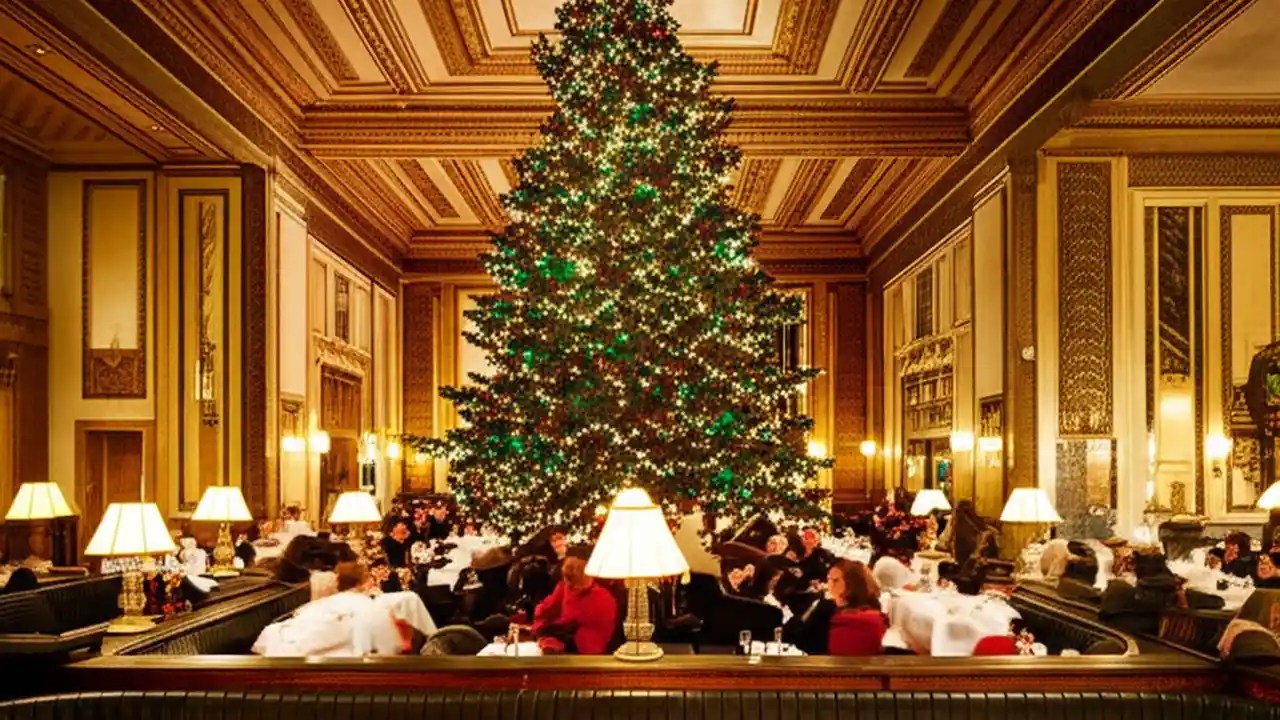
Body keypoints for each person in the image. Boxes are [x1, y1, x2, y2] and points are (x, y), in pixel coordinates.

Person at [252, 561, 403, 657]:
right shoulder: (373, 608)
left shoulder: (316, 607)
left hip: (300, 671)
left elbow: (277, 641)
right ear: (363, 583)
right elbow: (392, 645)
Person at [532, 550, 618, 654]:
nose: (569, 585)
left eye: (573, 582)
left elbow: (596, 634)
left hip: (585, 647)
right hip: (562, 636)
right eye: (567, 580)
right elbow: (546, 609)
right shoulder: (564, 587)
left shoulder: (603, 598)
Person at [826, 560, 886, 656]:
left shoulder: (848, 619)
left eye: (835, 580)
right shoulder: (875, 611)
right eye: (828, 579)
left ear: (852, 585)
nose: (830, 585)